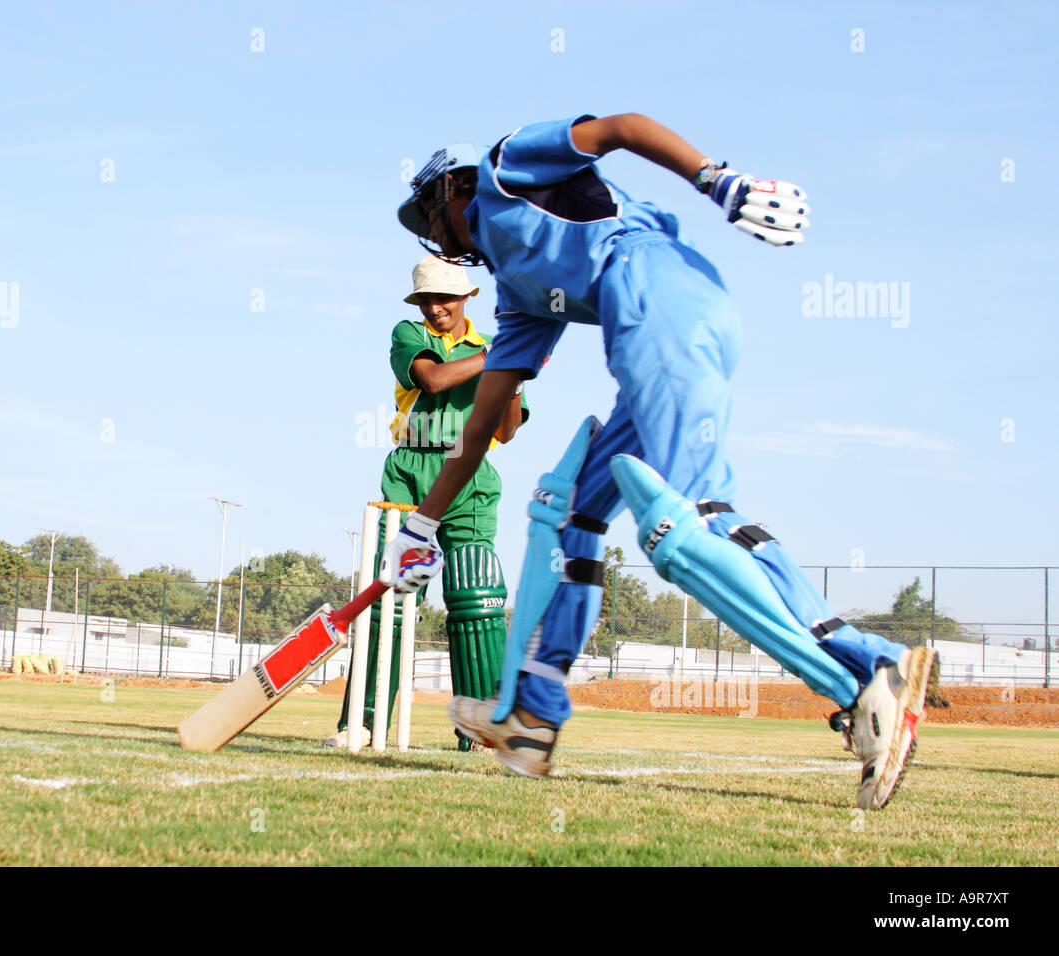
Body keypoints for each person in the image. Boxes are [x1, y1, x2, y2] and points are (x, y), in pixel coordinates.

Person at [378, 113, 943, 809]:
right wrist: (423, 527)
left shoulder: (504, 168)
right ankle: (533, 711)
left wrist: (718, 180)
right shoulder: (520, 296)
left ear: (454, 188)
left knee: (685, 528)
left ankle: (862, 680)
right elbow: (485, 420)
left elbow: (617, 126)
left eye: (431, 214)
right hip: (649, 321)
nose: (435, 236)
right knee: (566, 512)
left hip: (659, 294)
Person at [326, 256, 528, 751]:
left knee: (476, 598)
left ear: (467, 299)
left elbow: (506, 430)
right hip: (411, 469)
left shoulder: (492, 350)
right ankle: (365, 721)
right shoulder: (409, 335)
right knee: (390, 598)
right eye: (427, 300)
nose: (437, 308)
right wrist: (497, 356)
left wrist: (515, 376)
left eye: (446, 298)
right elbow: (433, 380)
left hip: (471, 474)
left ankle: (481, 731)